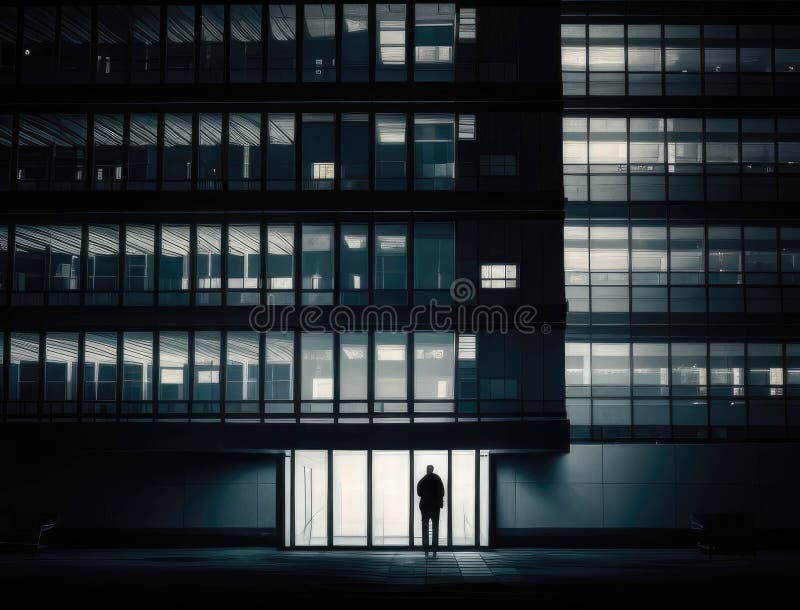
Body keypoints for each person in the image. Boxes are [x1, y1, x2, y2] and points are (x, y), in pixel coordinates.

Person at [416, 464, 445, 558]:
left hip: (425, 507)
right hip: (435, 507)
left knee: (425, 528)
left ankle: (426, 550)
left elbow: (419, 493)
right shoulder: (437, 479)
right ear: (433, 469)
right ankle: (434, 550)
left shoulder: (423, 479)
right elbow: (442, 492)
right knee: (435, 528)